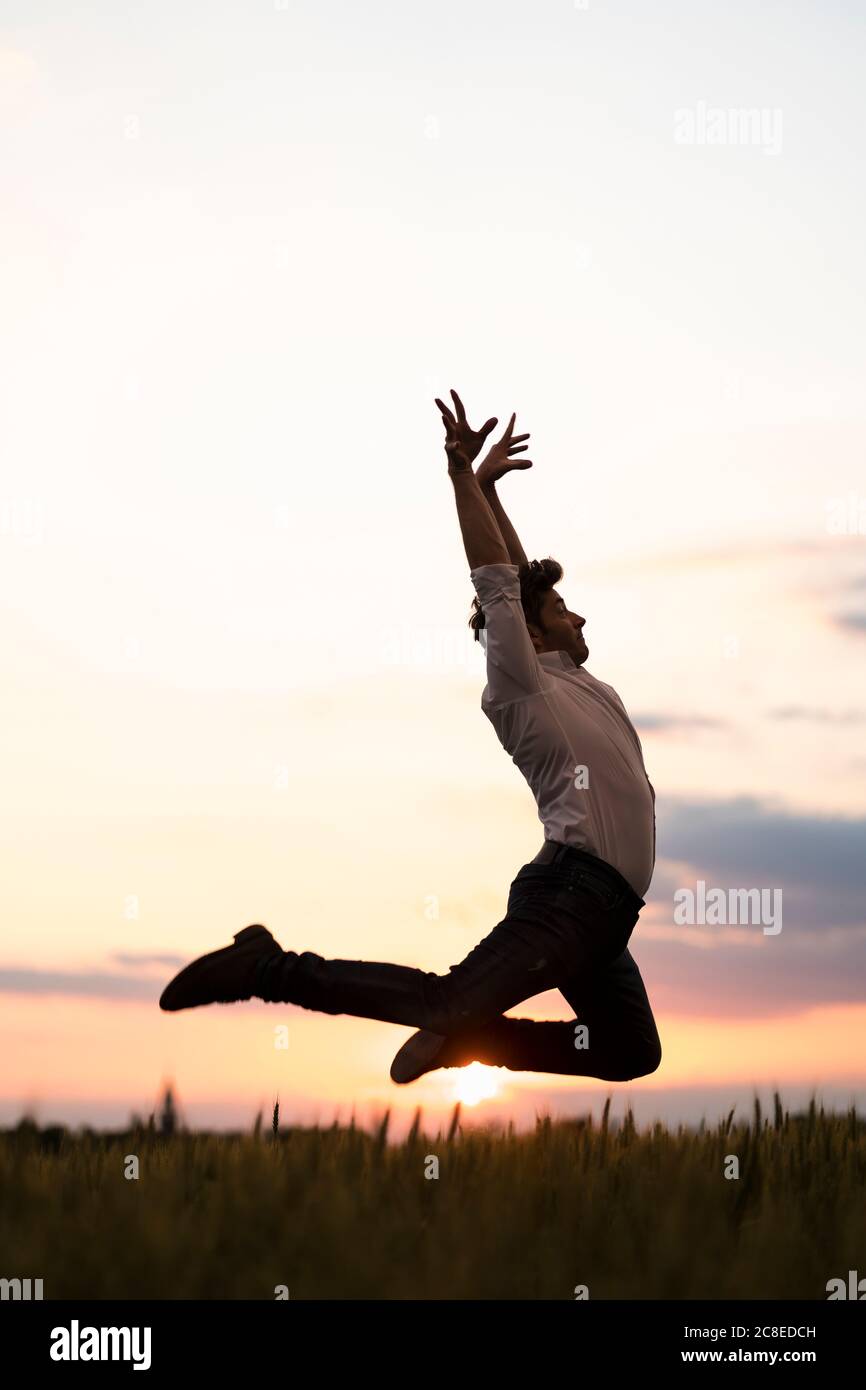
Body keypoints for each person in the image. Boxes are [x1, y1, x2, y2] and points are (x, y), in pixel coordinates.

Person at [159, 389, 662, 1088]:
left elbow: (520, 582)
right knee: (446, 999)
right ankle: (267, 968)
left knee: (629, 1051)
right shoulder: (523, 685)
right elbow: (500, 587)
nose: (580, 617)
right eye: (563, 610)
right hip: (571, 899)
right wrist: (461, 478)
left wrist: (490, 490)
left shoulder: (569, 675)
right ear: (535, 632)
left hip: (607, 916)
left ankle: (466, 1040)